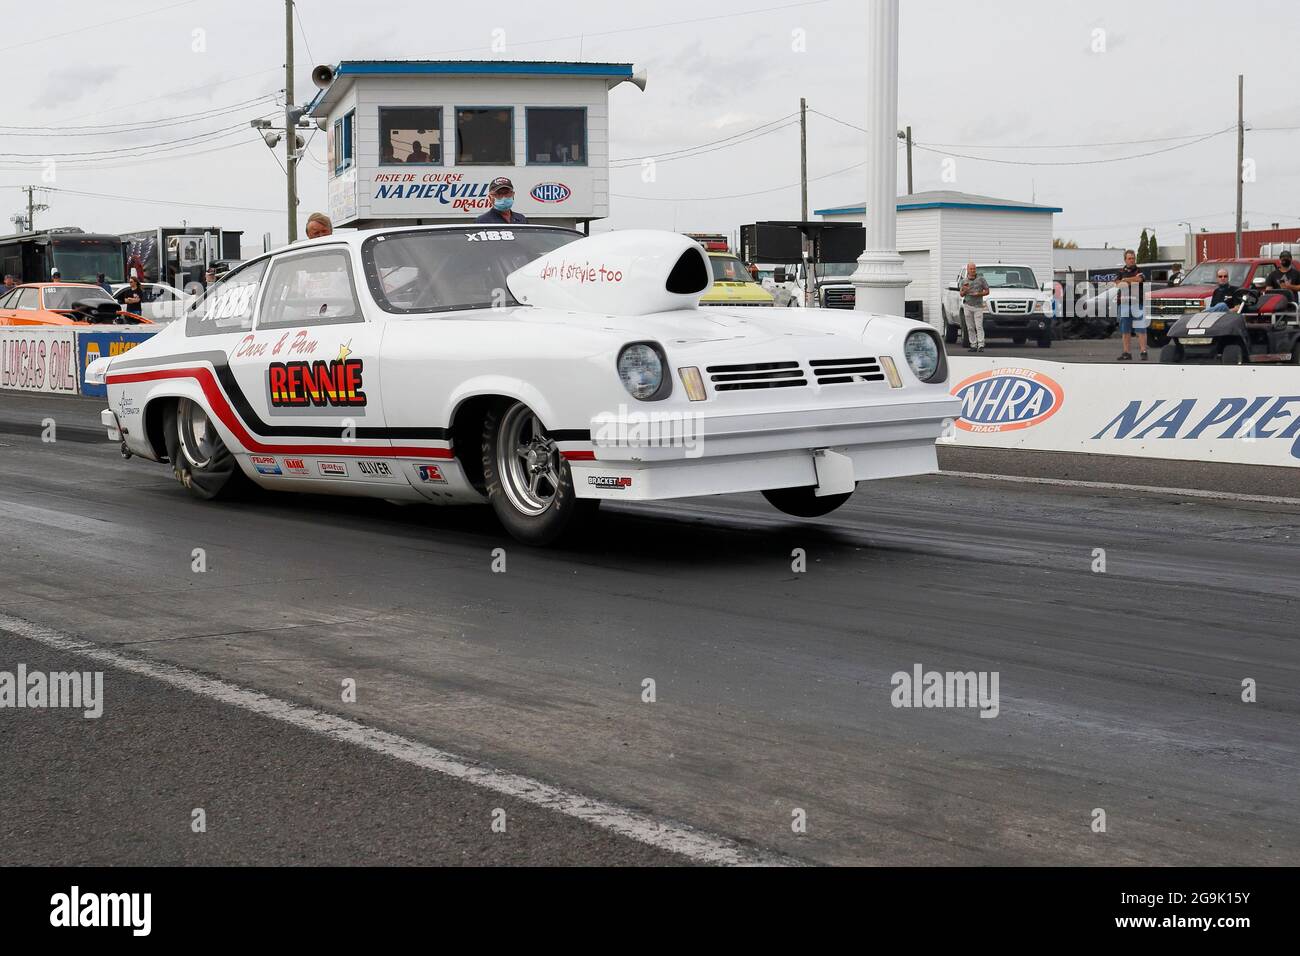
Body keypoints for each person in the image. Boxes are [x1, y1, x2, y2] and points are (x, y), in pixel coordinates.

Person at [1114, 249, 1148, 361]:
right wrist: (1128, 281)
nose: (1131, 260)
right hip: (1123, 304)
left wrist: (1126, 279)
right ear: (1125, 260)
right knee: (1125, 330)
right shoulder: (1120, 271)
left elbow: (1139, 279)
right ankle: (1126, 352)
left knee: (1141, 329)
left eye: (1133, 258)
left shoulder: (1140, 270)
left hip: (1137, 304)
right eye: (1129, 258)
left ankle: (1143, 351)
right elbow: (1118, 284)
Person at [958, 262, 989, 352]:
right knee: (970, 326)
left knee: (979, 326)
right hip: (967, 305)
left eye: (974, 269)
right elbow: (961, 294)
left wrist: (978, 293)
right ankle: (973, 344)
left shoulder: (981, 279)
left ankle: (981, 344)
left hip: (978, 305)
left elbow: (987, 291)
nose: (972, 270)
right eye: (971, 269)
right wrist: (965, 290)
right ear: (968, 270)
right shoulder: (964, 281)